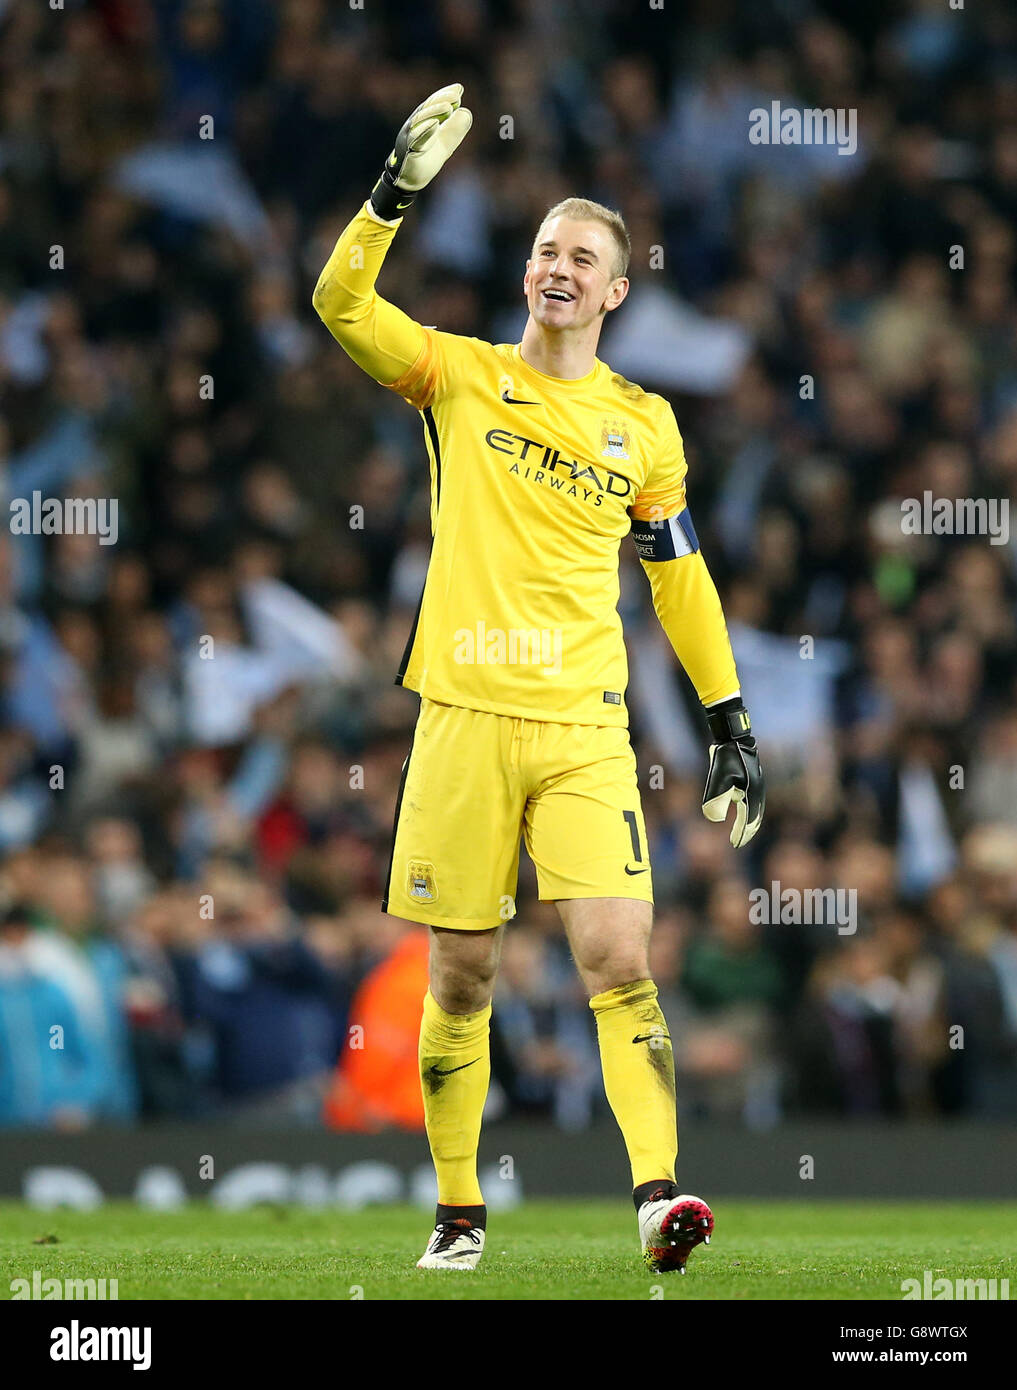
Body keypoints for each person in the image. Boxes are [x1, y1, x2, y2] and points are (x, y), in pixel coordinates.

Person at [312, 84, 764, 1273]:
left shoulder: (645, 427)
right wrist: (391, 197)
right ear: (527, 276)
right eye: (544, 251)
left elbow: (679, 580)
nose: (558, 267)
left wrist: (728, 719)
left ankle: (659, 1196)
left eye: (583, 257)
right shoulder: (456, 376)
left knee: (619, 958)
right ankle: (459, 1212)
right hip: (461, 717)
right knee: (461, 976)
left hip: (581, 730)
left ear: (617, 290)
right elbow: (338, 303)